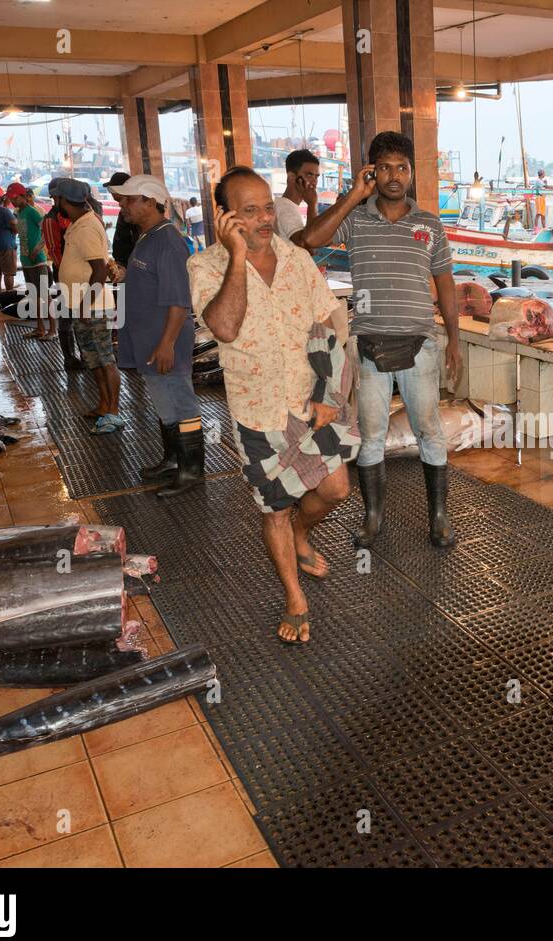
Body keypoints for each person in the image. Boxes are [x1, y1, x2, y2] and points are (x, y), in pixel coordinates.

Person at [189, 166, 358, 644]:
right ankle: (294, 597)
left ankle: (304, 535)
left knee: (336, 490)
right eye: (250, 211)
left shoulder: (296, 259)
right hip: (257, 411)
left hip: (309, 401)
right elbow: (223, 326)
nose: (265, 218)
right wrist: (237, 257)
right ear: (225, 218)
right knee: (275, 508)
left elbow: (332, 325)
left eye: (267, 206)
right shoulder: (204, 267)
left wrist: (331, 396)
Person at [302, 130, 463, 550]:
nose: (394, 176)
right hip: (370, 343)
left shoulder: (429, 224)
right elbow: (310, 240)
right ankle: (372, 519)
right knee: (371, 434)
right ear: (372, 171)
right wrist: (353, 195)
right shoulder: (354, 219)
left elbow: (445, 284)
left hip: (421, 345)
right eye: (385, 168)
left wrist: (455, 342)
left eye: (402, 168)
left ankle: (439, 518)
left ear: (411, 172)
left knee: (430, 431)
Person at [110, 174, 203, 497]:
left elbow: (179, 299)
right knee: (165, 405)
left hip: (166, 341)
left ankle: (192, 471)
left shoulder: (168, 240)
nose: (122, 206)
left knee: (182, 404)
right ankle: (173, 460)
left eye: (129, 200)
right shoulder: (147, 237)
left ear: (150, 202)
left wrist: (167, 344)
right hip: (149, 340)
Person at [55, 178, 123, 433]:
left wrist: (84, 305)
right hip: (83, 304)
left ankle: (113, 412)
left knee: (104, 358)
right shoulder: (80, 223)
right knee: (93, 358)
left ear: (62, 200)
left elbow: (98, 271)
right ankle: (104, 405)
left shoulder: (85, 228)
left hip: (92, 307)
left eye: (57, 199)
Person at [42, 179, 83, 369]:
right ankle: (69, 358)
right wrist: (66, 275)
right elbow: (54, 250)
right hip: (64, 275)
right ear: (56, 198)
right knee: (66, 317)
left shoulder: (74, 216)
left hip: (79, 274)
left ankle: (85, 355)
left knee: (81, 316)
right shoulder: (51, 220)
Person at [5, 183, 51, 339]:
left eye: (15, 198)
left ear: (23, 196)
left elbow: (46, 229)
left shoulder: (32, 212)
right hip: (26, 261)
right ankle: (40, 328)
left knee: (45, 295)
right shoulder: (19, 213)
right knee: (34, 295)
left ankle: (52, 329)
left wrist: (38, 248)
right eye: (11, 199)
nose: (13, 202)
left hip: (38, 260)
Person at [277, 149, 321, 244]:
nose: (314, 182)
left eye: (316, 177)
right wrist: (312, 204)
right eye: (309, 175)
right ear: (291, 177)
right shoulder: (285, 208)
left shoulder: (286, 205)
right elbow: (309, 245)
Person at [105, 172, 140, 270]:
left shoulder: (135, 216)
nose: (120, 204)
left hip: (131, 266)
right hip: (123, 265)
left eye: (120, 199)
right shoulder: (124, 213)